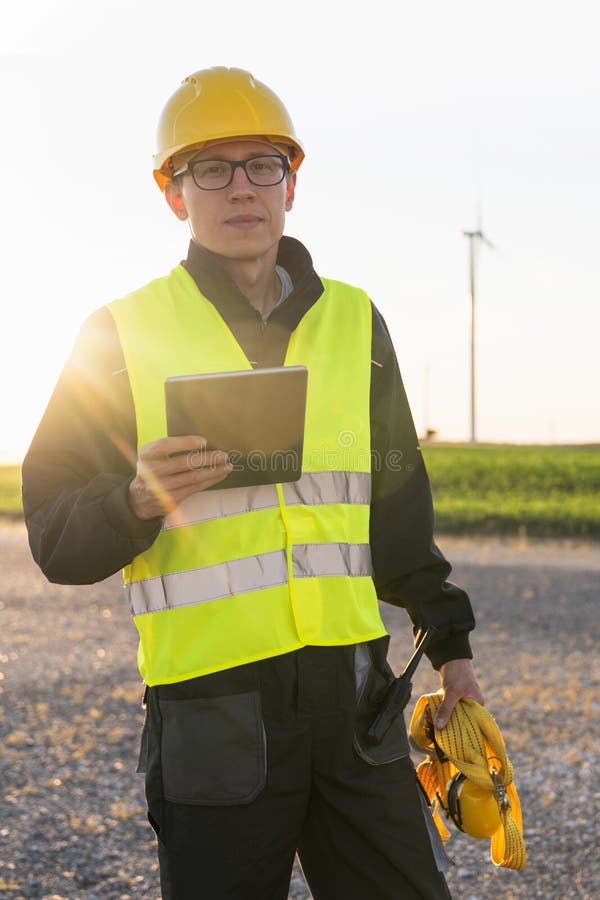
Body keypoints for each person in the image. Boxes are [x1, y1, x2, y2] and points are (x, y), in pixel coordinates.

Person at [22, 66, 485, 899]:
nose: (242, 189)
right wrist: (132, 500)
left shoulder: (355, 321)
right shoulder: (117, 337)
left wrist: (449, 645)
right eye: (211, 169)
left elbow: (398, 506)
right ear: (173, 195)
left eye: (263, 164)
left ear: (293, 185)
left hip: (354, 706)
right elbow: (53, 533)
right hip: (212, 716)